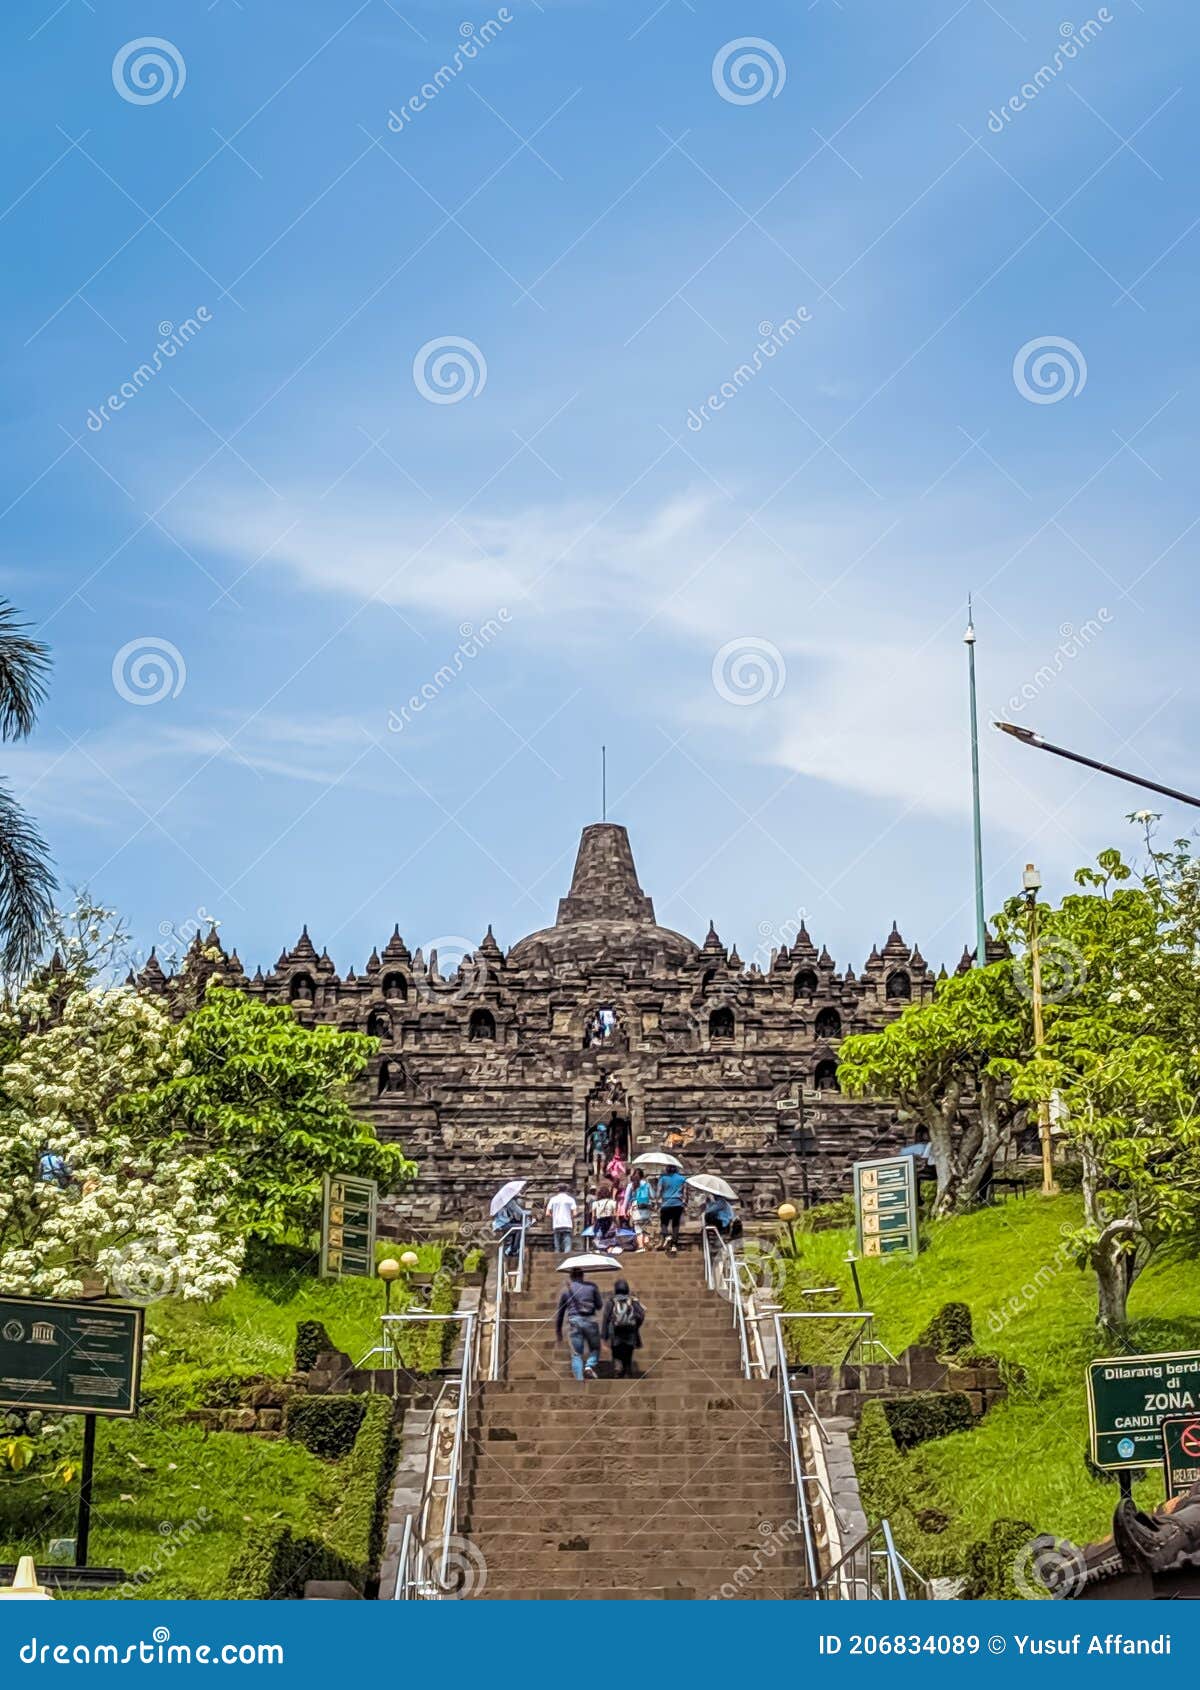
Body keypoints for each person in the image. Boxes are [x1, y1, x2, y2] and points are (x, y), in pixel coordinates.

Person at [555, 1265, 603, 1382]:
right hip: (590, 1320)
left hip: (574, 1322)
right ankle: (589, 1365)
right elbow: (599, 1305)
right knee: (595, 1348)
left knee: (576, 1353)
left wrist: (558, 1331)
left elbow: (560, 1313)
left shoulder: (566, 1290)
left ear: (571, 1277)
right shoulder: (592, 1287)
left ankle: (579, 1381)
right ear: (582, 1276)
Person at [602, 1277, 645, 1378]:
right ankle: (628, 1370)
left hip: (616, 1332)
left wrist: (604, 1336)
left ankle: (618, 1369)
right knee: (628, 1352)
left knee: (616, 1352)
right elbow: (641, 1315)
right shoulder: (633, 1300)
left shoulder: (611, 1301)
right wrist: (636, 1325)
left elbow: (606, 1319)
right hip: (630, 1332)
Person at [657, 1166, 687, 1255]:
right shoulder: (682, 1178)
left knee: (664, 1223)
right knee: (675, 1224)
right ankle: (674, 1245)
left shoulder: (663, 1178)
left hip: (666, 1203)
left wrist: (657, 1202)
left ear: (667, 1169)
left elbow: (659, 1191)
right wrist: (684, 1202)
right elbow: (685, 1193)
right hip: (678, 1203)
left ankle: (667, 1236)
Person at [492, 1194, 530, 1260]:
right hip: (501, 1225)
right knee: (519, 1228)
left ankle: (511, 1248)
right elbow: (521, 1212)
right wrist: (532, 1212)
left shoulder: (507, 1203)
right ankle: (514, 1249)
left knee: (517, 1227)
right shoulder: (510, 1202)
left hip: (503, 1223)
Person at [545, 1186, 578, 1255]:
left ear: (558, 1190)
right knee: (567, 1246)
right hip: (567, 1223)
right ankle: (566, 1260)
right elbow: (575, 1213)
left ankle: (556, 1260)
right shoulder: (570, 1199)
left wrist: (554, 1217)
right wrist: (570, 1216)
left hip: (556, 1224)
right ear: (566, 1190)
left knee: (557, 1246)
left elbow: (547, 1213)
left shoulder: (553, 1199)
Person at [591, 1181, 618, 1251]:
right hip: (610, 1222)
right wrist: (617, 1224)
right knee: (610, 1241)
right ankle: (610, 1252)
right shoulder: (613, 1202)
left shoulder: (595, 1203)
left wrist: (593, 1225)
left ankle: (601, 1252)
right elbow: (615, 1215)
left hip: (599, 1222)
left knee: (599, 1240)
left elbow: (593, 1216)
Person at [630, 1174, 654, 1252]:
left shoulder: (633, 1187)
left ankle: (641, 1247)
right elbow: (653, 1195)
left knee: (638, 1230)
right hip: (646, 1209)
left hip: (636, 1209)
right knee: (646, 1228)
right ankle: (646, 1242)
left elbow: (631, 1198)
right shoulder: (647, 1185)